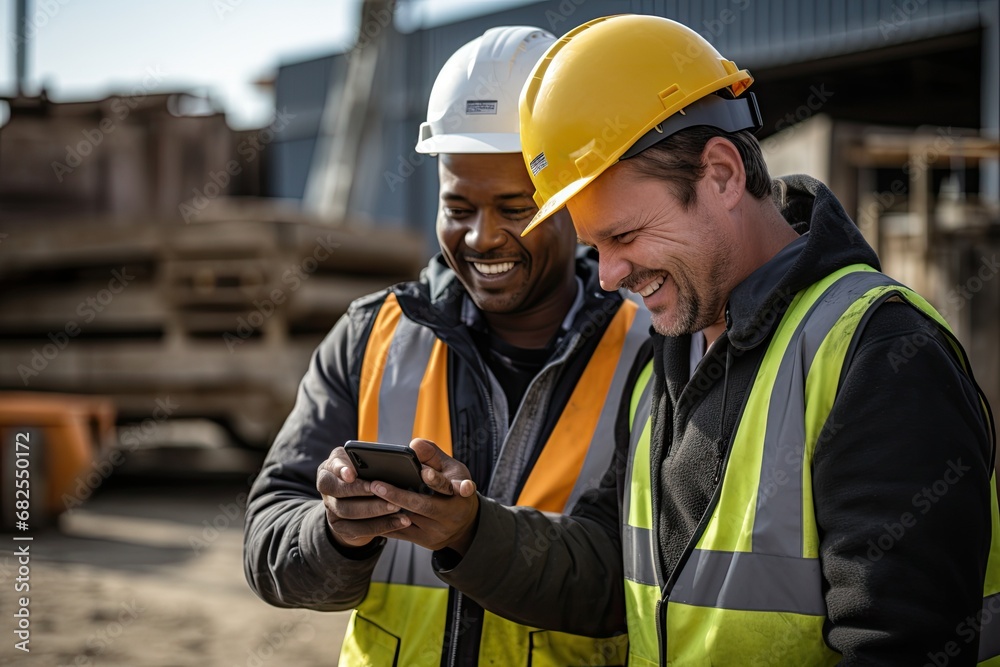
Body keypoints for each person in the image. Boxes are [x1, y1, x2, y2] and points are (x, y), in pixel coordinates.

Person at [362, 14, 1000, 666]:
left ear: (721, 174)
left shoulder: (879, 357)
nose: (608, 276)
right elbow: (610, 572)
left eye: (626, 236)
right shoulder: (665, 357)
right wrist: (467, 530)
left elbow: (900, 646)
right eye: (594, 245)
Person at [242, 25, 649, 667]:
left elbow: (628, 582)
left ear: (576, 197)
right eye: (458, 207)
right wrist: (335, 533)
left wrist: (474, 536)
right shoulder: (370, 335)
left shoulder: (652, 355)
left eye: (516, 208)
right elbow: (269, 544)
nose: (482, 237)